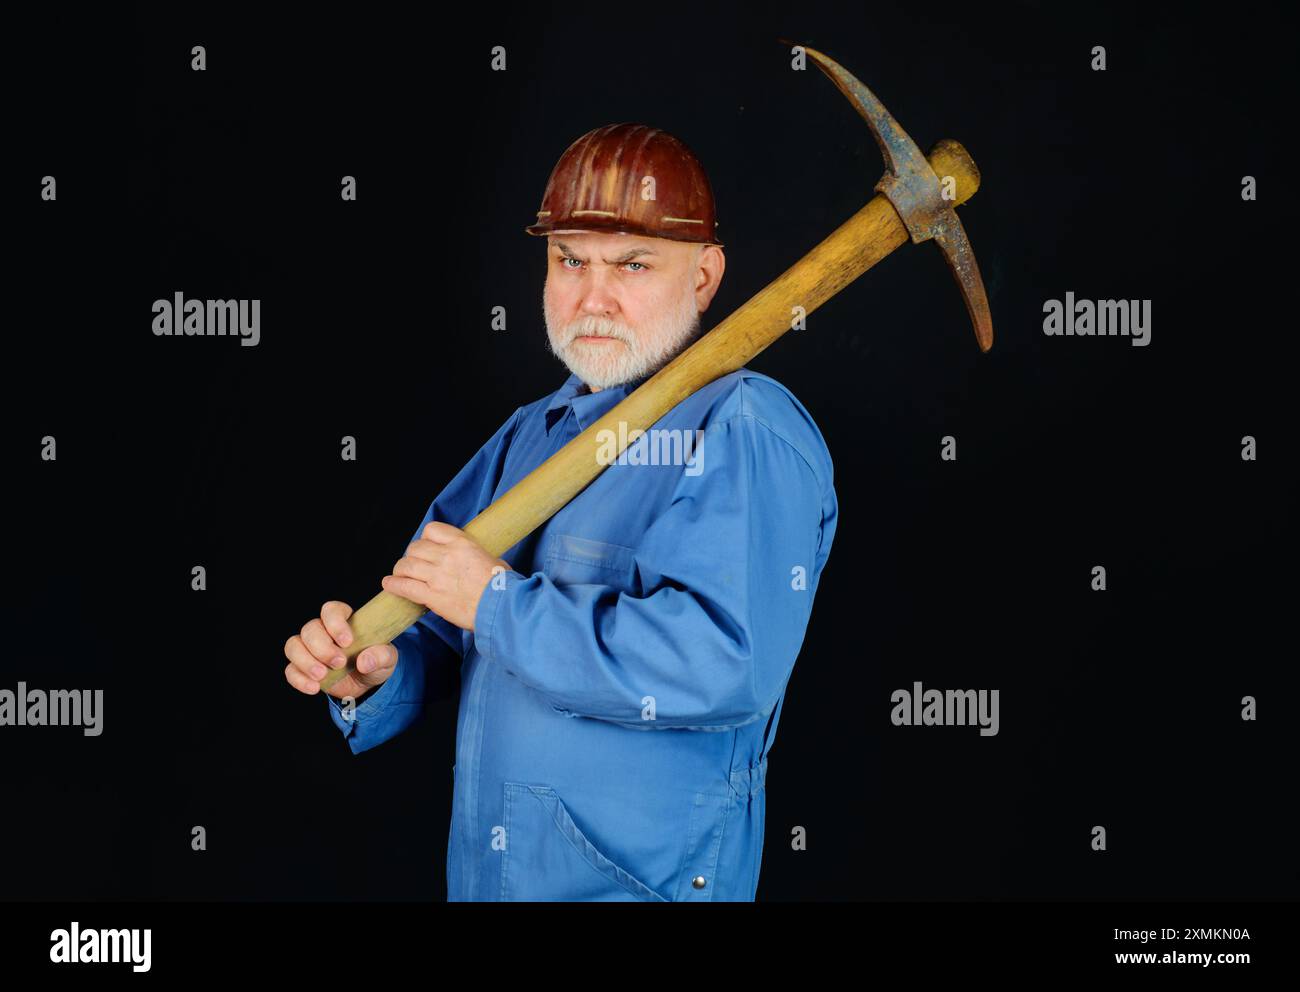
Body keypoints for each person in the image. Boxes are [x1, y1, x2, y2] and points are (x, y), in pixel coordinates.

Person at [283, 123, 838, 901]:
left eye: (633, 264)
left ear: (706, 277)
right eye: (569, 260)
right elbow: (441, 625)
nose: (593, 297)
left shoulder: (743, 429)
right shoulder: (533, 433)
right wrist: (375, 674)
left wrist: (497, 602)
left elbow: (724, 663)